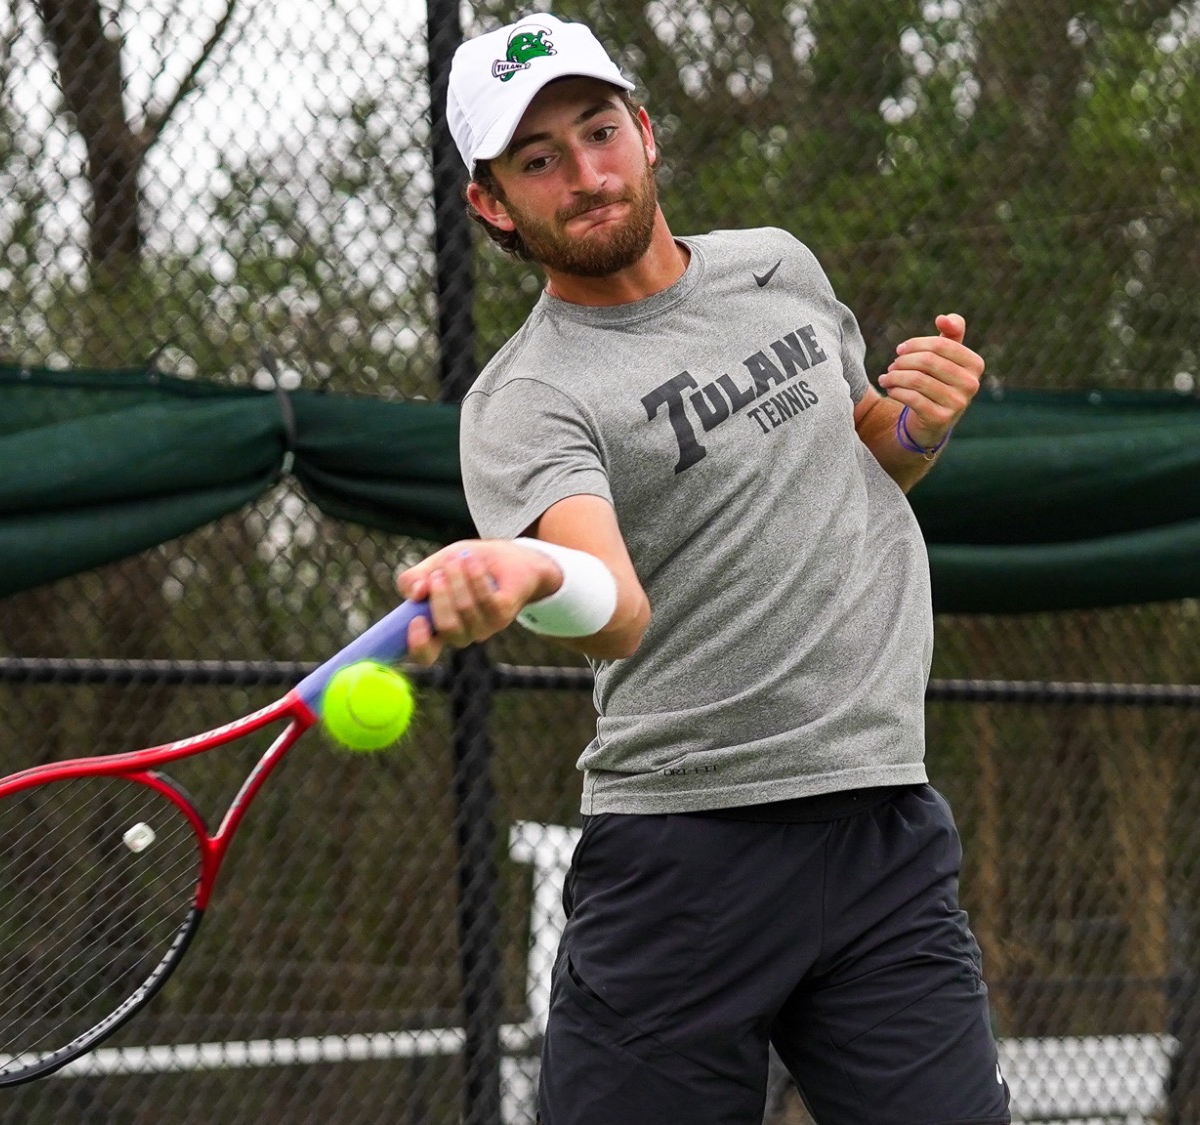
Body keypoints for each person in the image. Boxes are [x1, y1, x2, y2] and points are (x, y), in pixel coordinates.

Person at [399, 13, 1009, 1124]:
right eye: (539, 160)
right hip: (685, 860)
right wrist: (532, 577)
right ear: (492, 203)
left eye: (598, 133)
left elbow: (860, 454)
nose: (586, 175)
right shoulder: (526, 400)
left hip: (884, 826)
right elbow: (615, 609)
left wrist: (919, 424)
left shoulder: (778, 264)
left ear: (643, 131)